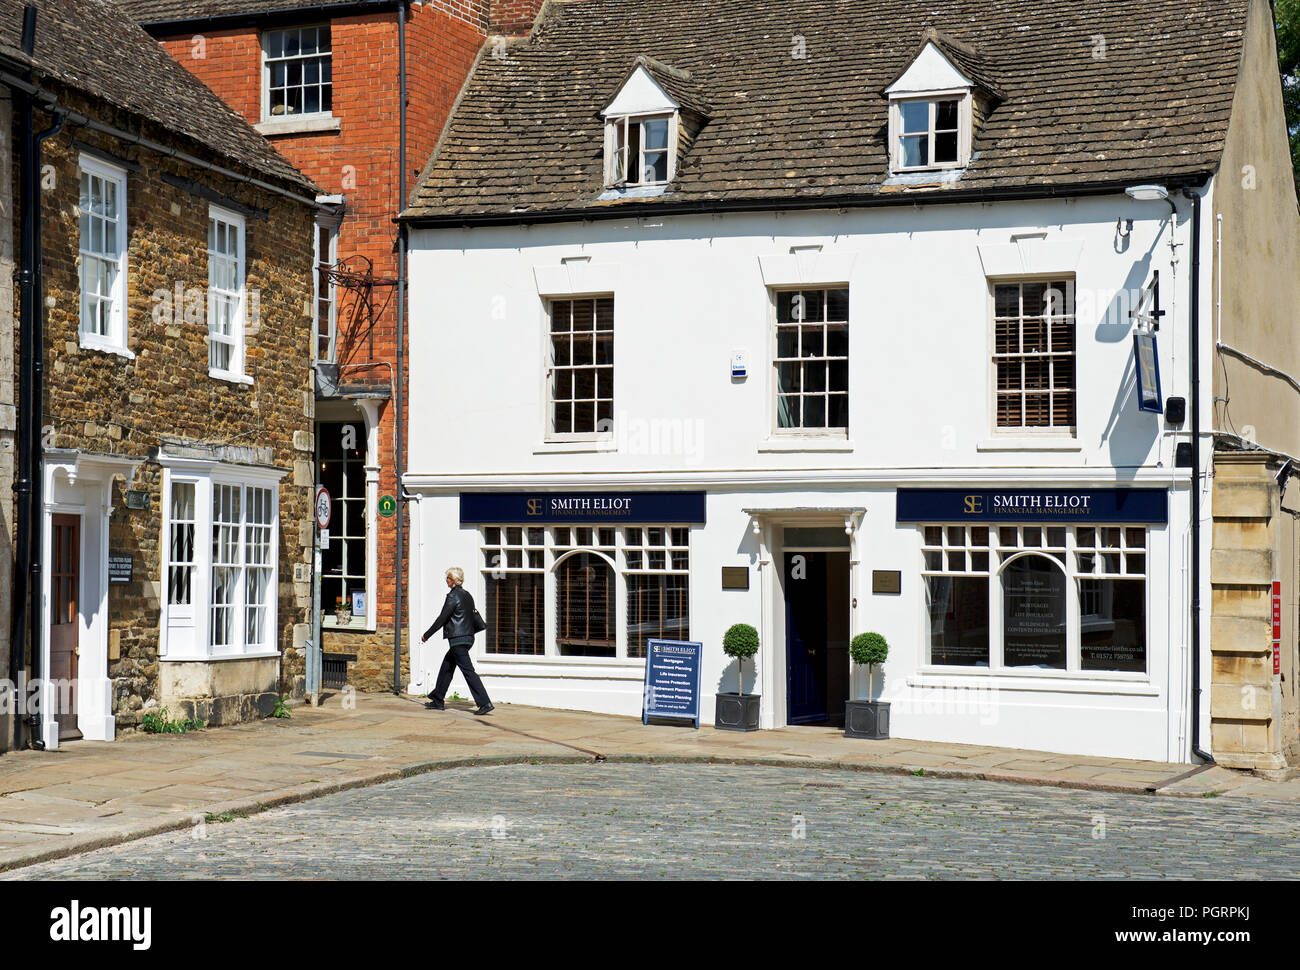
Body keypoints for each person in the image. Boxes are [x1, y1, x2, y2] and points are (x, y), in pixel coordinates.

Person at [421, 567, 494, 715]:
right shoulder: (467, 595)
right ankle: (438, 699)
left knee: (468, 671)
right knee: (447, 666)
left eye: (447, 578)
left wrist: (427, 635)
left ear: (453, 581)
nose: (446, 580)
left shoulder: (453, 596)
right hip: (467, 638)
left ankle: (484, 702)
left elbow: (442, 618)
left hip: (457, 640)